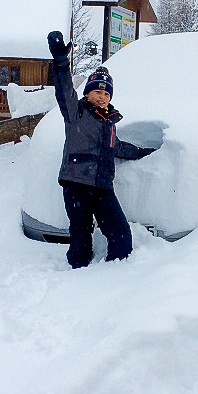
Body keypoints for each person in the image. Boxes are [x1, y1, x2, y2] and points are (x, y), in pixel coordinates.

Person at [47, 31, 155, 269]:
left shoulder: (109, 123)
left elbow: (118, 148)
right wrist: (61, 63)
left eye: (106, 93)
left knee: (121, 235)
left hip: (103, 186)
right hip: (77, 184)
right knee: (81, 239)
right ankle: (77, 277)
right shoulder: (76, 114)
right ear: (87, 93)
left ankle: (112, 276)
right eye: (97, 91)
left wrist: (145, 153)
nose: (102, 97)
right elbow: (64, 91)